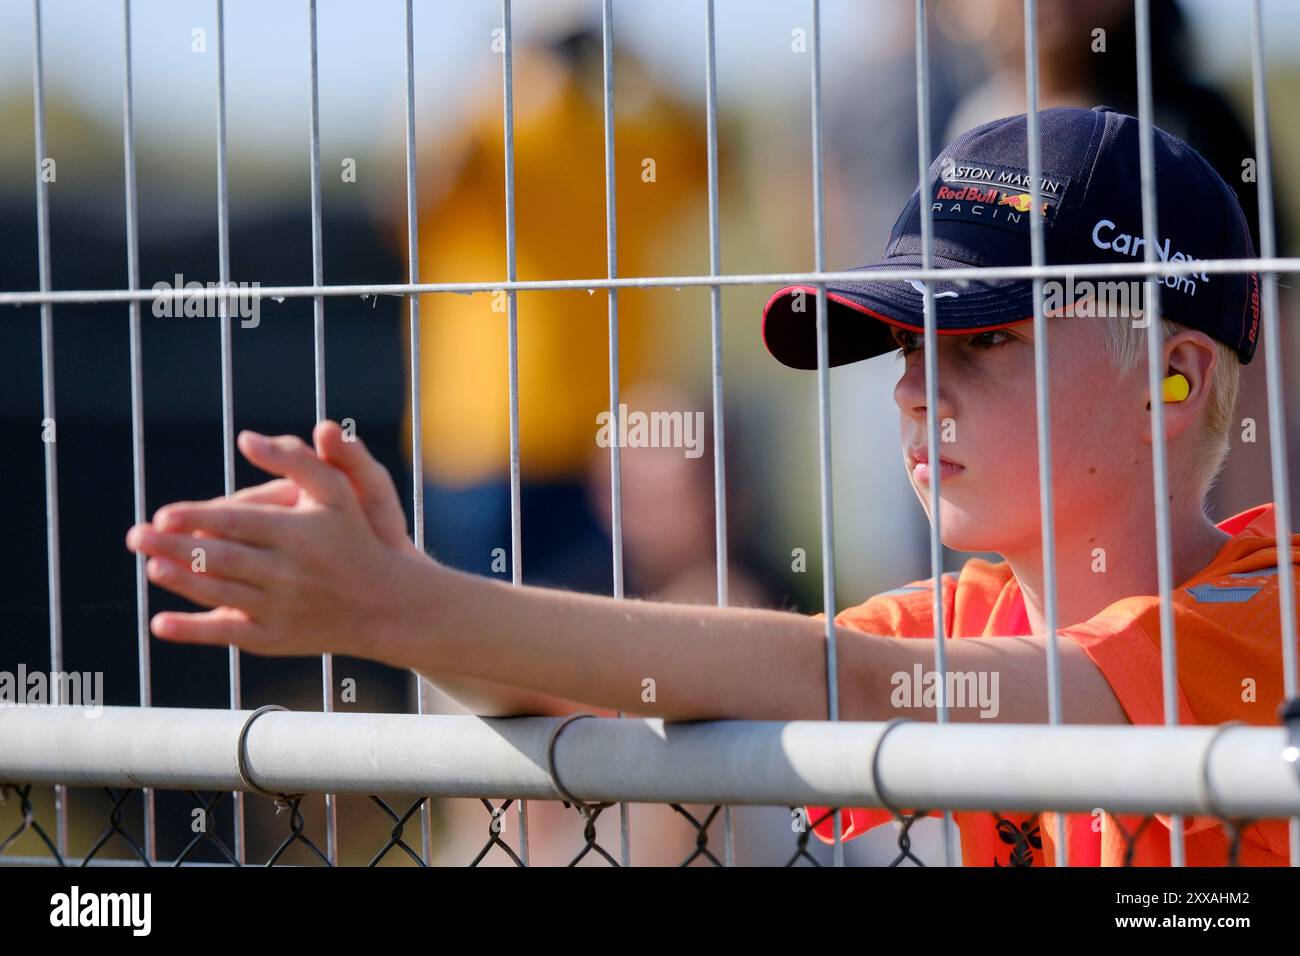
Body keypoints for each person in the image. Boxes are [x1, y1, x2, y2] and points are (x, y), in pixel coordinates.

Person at [125, 106, 1297, 866]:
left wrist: (394, 605)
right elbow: (606, 683)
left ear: (1174, 378)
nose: (909, 390)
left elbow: (842, 675)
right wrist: (400, 598)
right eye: (901, 348)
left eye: (983, 341)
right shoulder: (972, 612)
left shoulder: (1271, 607)